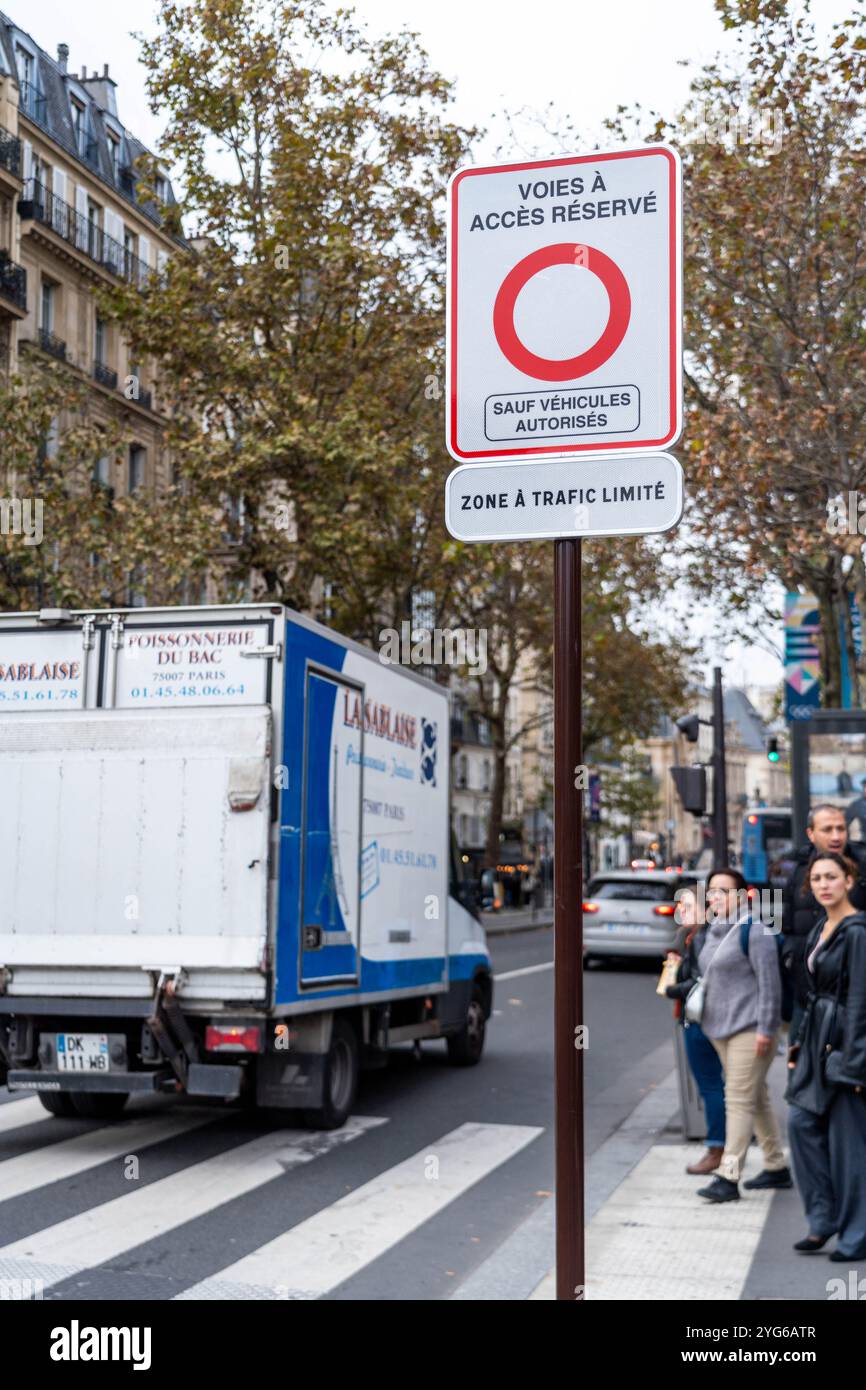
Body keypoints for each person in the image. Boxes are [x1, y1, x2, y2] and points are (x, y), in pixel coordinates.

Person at [785, 851, 866, 1260]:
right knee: (801, 1124)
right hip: (818, 1039)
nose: (822, 884)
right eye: (816, 878)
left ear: (848, 881)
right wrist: (799, 1040)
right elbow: (811, 993)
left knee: (848, 1144)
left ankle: (855, 1235)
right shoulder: (822, 925)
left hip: (846, 1046)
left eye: (831, 877)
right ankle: (823, 1218)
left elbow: (860, 1001)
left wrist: (855, 1063)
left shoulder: (858, 931)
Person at [693, 868, 791, 1203]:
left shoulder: (756, 929)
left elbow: (770, 985)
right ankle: (777, 1166)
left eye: (725, 891)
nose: (717, 897)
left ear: (742, 894)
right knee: (756, 1097)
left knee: (737, 1098)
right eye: (712, 891)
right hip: (719, 1028)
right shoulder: (714, 930)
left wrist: (767, 1028)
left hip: (750, 1030)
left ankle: (728, 1176)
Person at [781, 805, 866, 1041]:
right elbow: (775, 921)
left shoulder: (862, 864)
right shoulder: (790, 868)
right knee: (800, 1071)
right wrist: (789, 956)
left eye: (841, 828)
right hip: (806, 995)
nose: (836, 836)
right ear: (811, 833)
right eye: (827, 829)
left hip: (853, 999)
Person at [665, 886, 726, 1174]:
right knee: (715, 1085)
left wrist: (672, 988)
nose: (682, 912)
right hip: (699, 1016)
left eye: (689, 906)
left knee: (711, 1086)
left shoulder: (704, 937)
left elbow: (702, 980)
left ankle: (717, 1147)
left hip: (701, 1018)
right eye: (681, 906)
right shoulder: (691, 936)